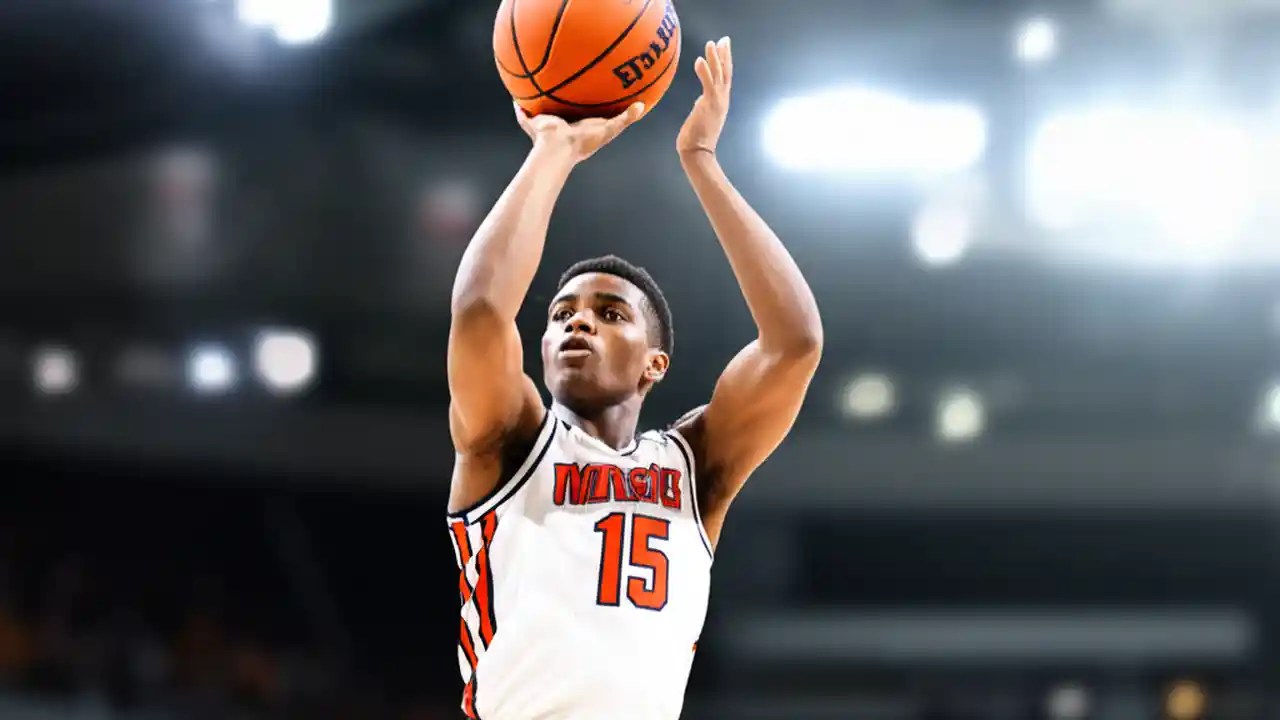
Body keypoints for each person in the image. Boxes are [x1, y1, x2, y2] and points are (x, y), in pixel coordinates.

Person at [446, 37, 822, 720]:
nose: (577, 325)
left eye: (609, 313)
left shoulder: (693, 466)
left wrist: (702, 163)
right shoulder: (509, 443)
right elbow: (478, 312)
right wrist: (553, 152)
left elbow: (795, 344)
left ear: (656, 363)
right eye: (561, 315)